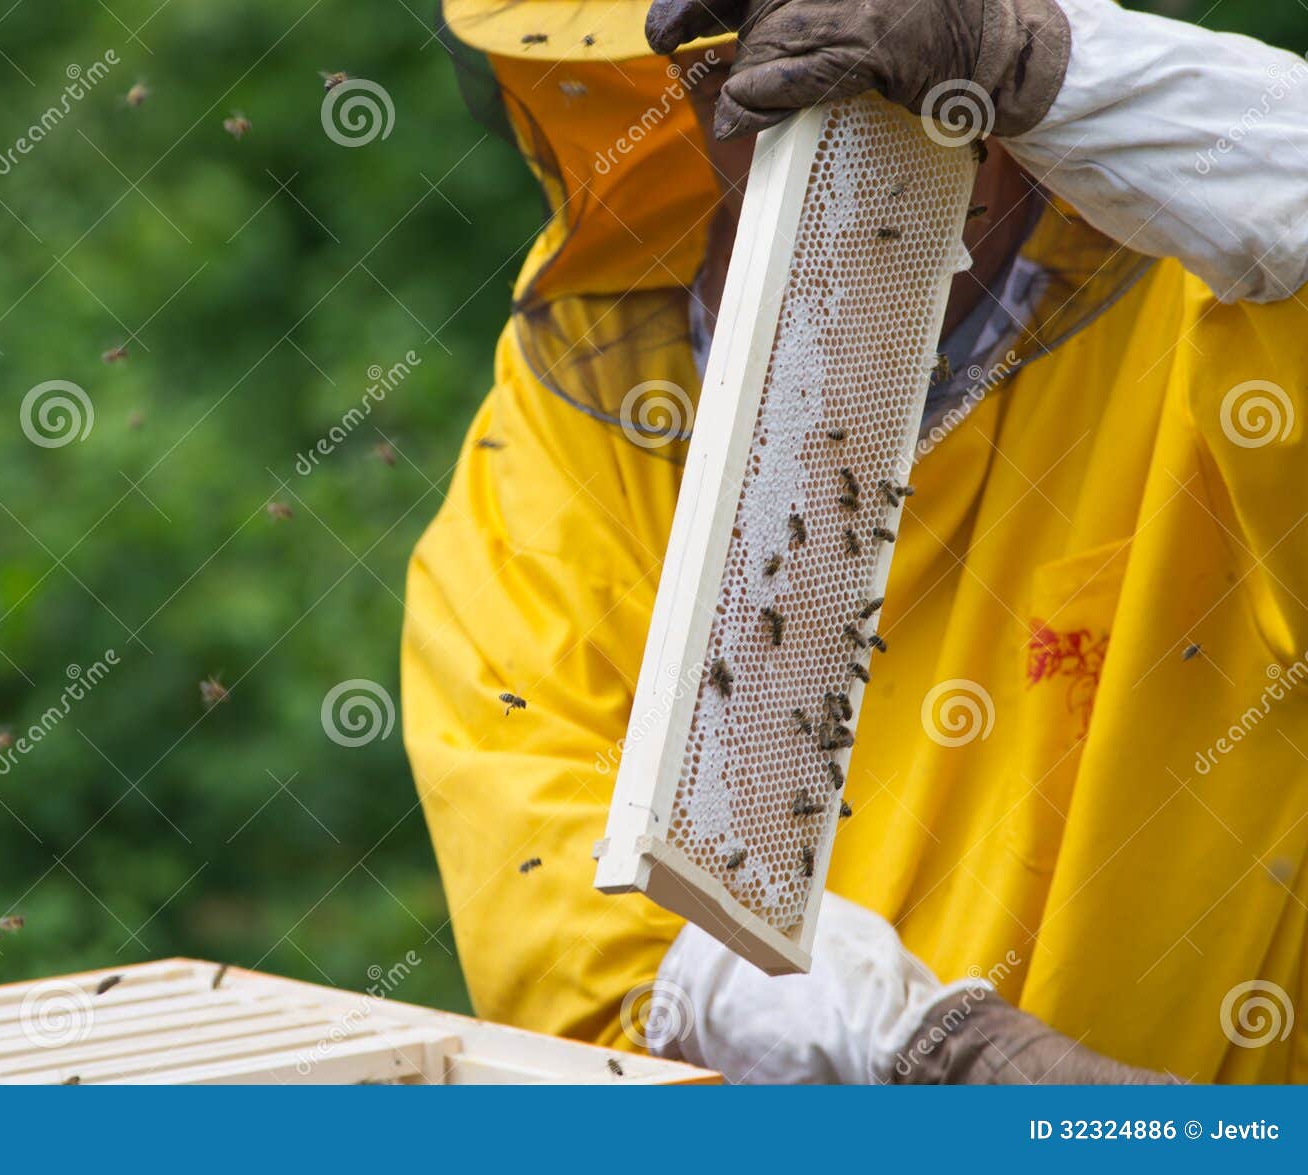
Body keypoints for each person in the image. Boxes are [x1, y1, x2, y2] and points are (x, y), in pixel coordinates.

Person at [404, 0, 1308, 1083]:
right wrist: (939, 1049)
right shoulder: (593, 399)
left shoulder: (1211, 274)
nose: (797, 109)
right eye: (730, 76)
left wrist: (1034, 63)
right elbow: (533, 832)